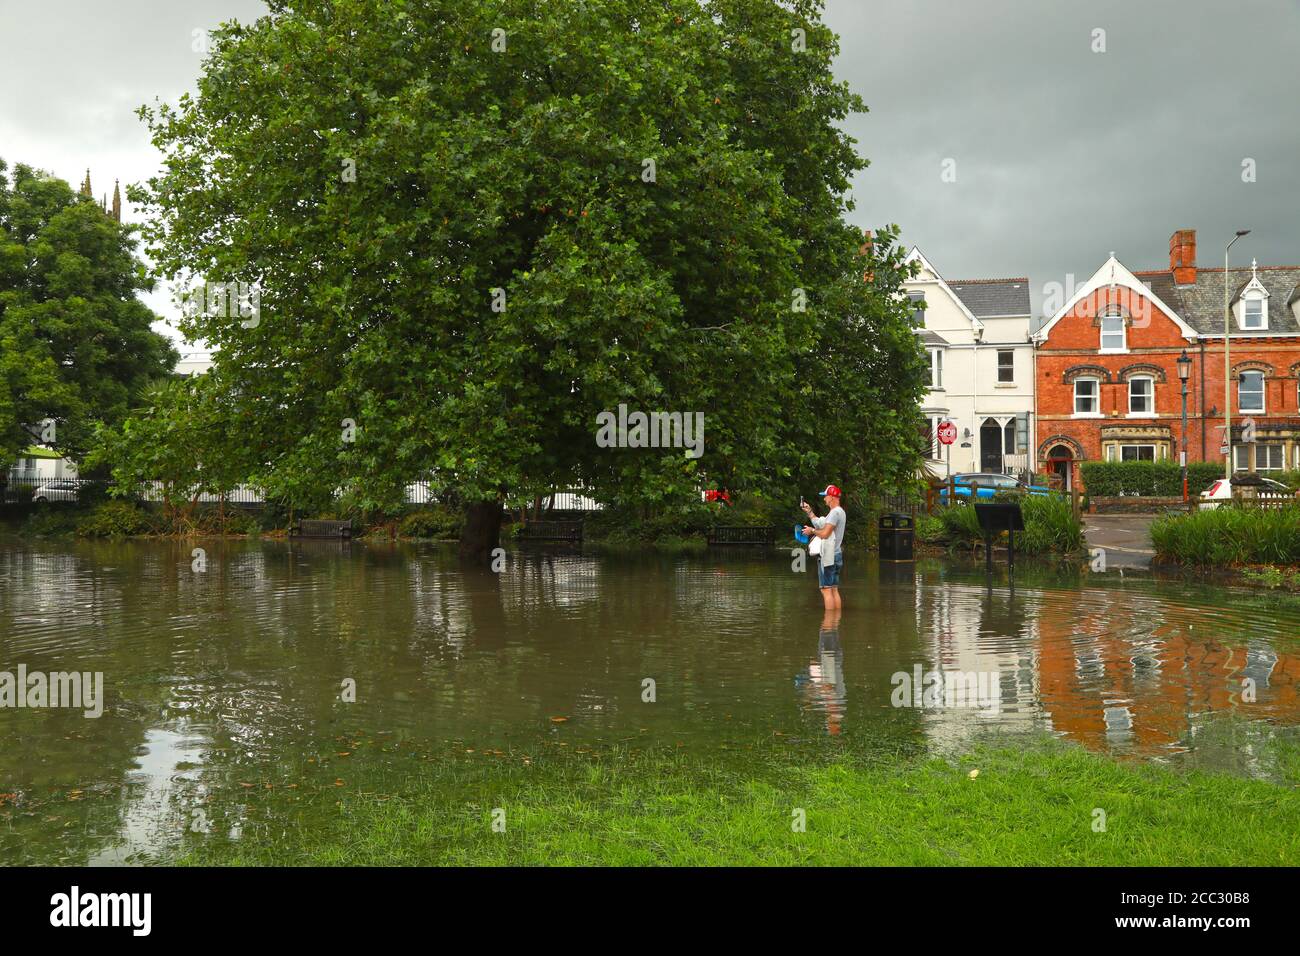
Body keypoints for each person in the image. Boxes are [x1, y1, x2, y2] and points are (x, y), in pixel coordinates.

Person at [802, 485, 845, 610]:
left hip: (828, 557)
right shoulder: (840, 512)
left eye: (825, 496)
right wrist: (809, 512)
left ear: (831, 497)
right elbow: (822, 523)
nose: (824, 499)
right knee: (834, 589)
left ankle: (828, 625)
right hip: (837, 555)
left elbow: (825, 533)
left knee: (826, 590)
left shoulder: (834, 513)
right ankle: (836, 621)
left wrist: (812, 531)